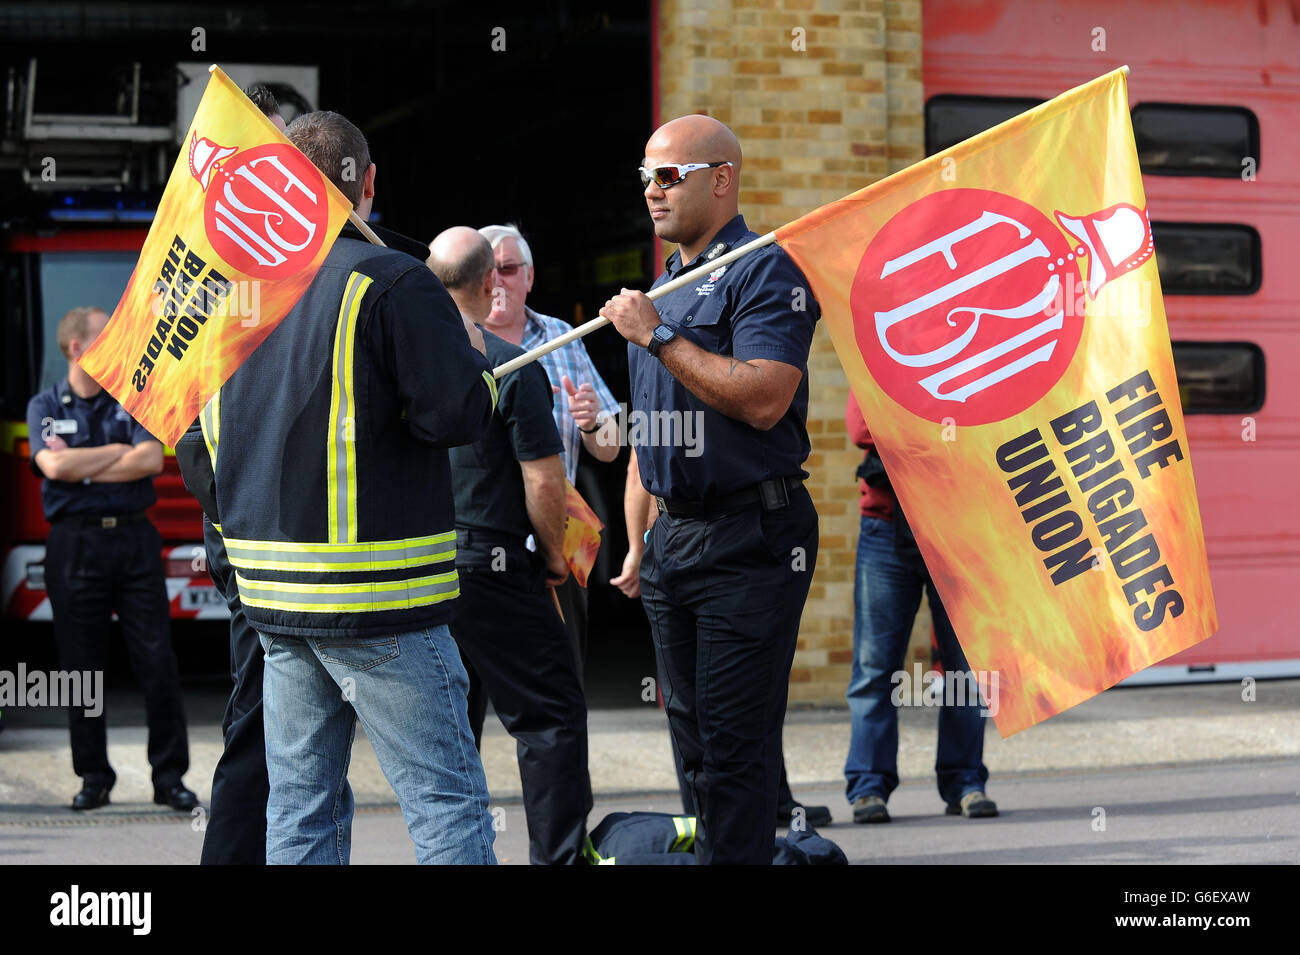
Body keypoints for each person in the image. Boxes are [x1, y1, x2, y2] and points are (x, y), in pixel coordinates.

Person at [208, 110, 498, 864]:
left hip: (274, 604)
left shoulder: (236, 294)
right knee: (448, 807)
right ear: (367, 184)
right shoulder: (394, 279)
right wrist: (475, 364)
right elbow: (455, 413)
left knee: (300, 810)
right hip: (382, 603)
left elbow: (198, 449)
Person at [600, 115, 821, 864]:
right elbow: (651, 434)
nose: (651, 191)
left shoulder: (766, 270)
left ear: (721, 179)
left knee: (735, 748)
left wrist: (659, 336)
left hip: (750, 536)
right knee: (694, 749)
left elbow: (763, 397)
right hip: (676, 540)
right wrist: (640, 539)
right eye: (644, 177)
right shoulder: (664, 282)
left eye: (668, 176)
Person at [428, 226, 593, 865]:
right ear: (492, 283)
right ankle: (558, 859)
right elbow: (543, 478)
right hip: (491, 567)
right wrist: (554, 555)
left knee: (445, 734)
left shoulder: (393, 369)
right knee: (550, 717)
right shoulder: (512, 368)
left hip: (413, 570)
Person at [173, 81, 290, 866]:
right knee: (259, 723)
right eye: (275, 151)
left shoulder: (320, 270)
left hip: (324, 551)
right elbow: (185, 431)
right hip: (255, 545)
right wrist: (240, 520)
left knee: (306, 740)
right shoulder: (212, 284)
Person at [27, 306, 196, 812]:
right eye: (107, 335)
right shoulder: (43, 406)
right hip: (73, 546)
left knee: (157, 661)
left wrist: (78, 468)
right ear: (78, 348)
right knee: (82, 668)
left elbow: (148, 458)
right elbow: (50, 464)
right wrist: (112, 454)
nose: (121, 341)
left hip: (134, 541)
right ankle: (94, 779)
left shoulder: (134, 398)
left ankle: (169, 780)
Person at [844, 391, 997, 822]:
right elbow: (861, 429)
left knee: (966, 670)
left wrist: (906, 421)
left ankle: (966, 782)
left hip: (960, 526)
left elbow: (988, 426)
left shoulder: (974, 351)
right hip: (887, 525)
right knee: (874, 669)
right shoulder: (879, 343)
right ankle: (868, 788)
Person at [478, 223, 620, 680]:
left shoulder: (563, 337)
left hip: (554, 546)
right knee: (462, 700)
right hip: (471, 552)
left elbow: (610, 449)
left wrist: (594, 420)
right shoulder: (449, 341)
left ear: (530, 277)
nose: (499, 280)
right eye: (489, 270)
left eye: (509, 269)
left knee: (559, 694)